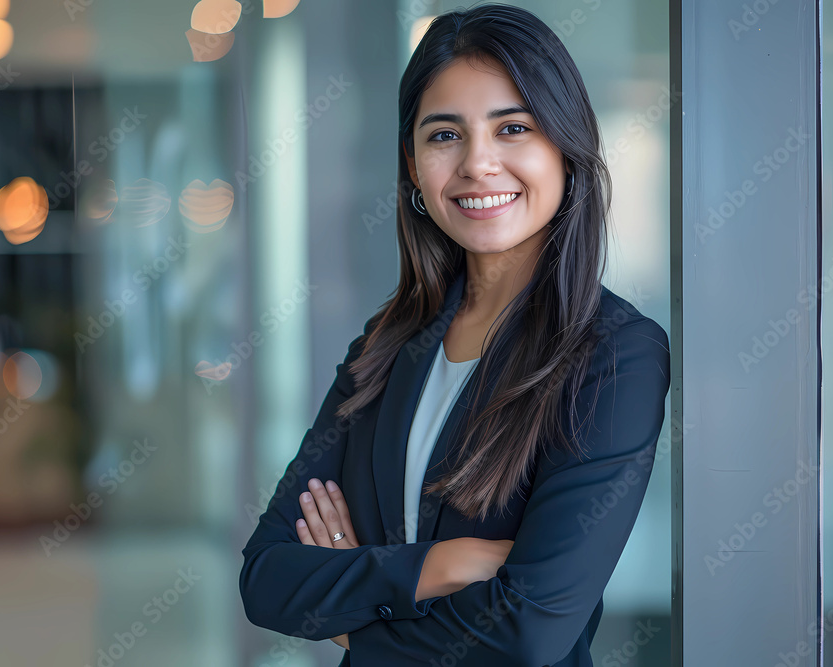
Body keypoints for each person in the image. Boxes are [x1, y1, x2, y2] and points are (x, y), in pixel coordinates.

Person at [239, 3, 671, 665]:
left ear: (566, 146)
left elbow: (531, 628)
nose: (478, 163)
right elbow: (267, 578)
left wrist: (352, 617)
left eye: (513, 128)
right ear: (413, 166)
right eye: (445, 135)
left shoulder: (614, 354)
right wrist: (439, 564)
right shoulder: (384, 348)